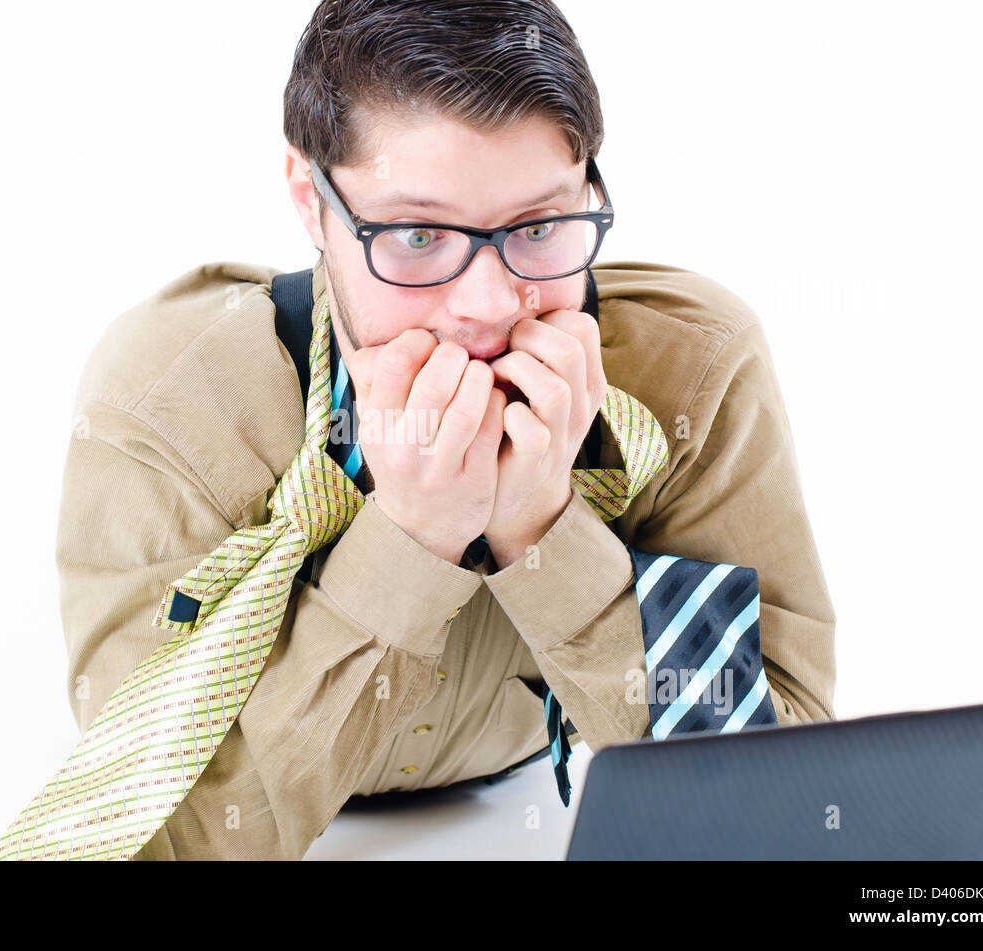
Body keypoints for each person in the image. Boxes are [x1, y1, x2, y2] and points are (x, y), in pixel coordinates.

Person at [53, 0, 835, 860]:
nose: (491, 306)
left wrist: (543, 530)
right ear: (311, 203)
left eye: (538, 228)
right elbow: (147, 837)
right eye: (418, 235)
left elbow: (784, 806)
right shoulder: (170, 403)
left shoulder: (695, 372)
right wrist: (412, 535)